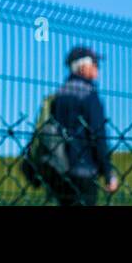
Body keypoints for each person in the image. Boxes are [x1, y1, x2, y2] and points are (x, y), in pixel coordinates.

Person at [46, 45, 119, 206]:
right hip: (84, 170)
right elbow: (98, 135)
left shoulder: (59, 95)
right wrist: (108, 172)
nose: (97, 68)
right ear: (82, 67)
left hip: (59, 170)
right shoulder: (89, 95)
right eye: (94, 63)